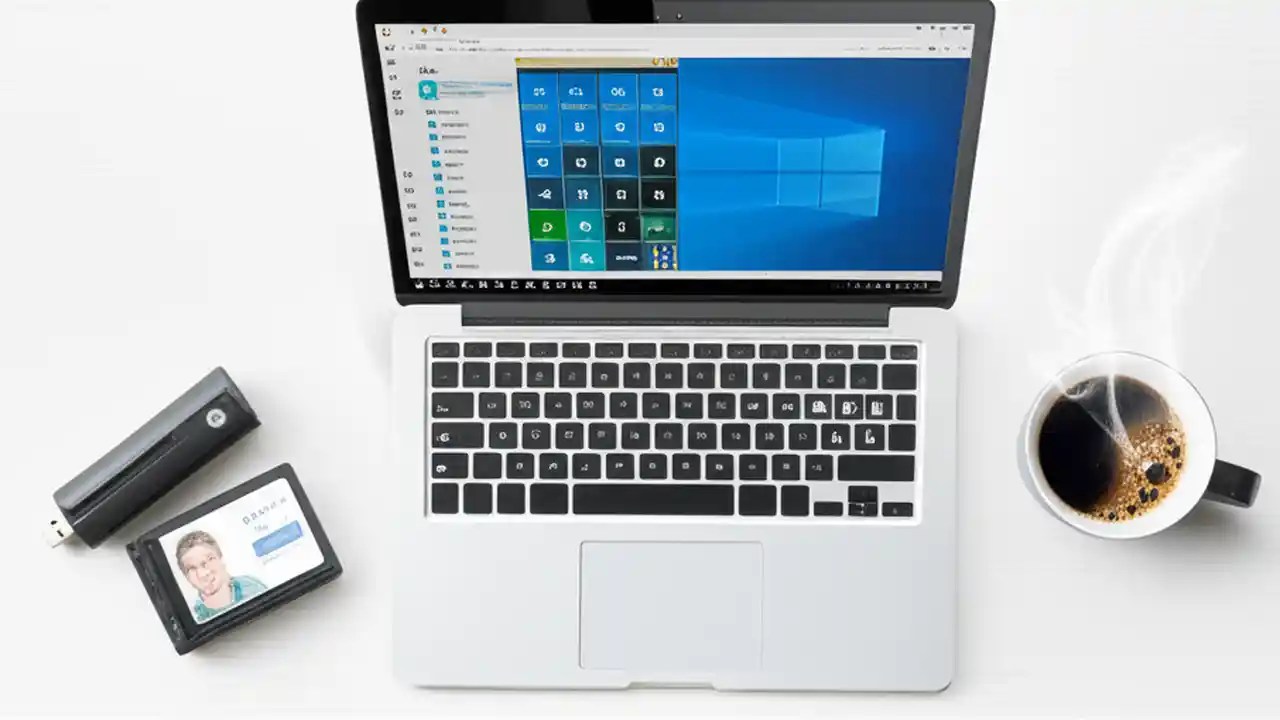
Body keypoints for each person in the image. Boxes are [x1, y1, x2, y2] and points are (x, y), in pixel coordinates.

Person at [174, 530, 267, 621]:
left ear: (221, 559)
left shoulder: (253, 588)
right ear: (186, 577)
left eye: (208, 560)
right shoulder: (194, 616)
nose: (202, 574)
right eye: (192, 569)